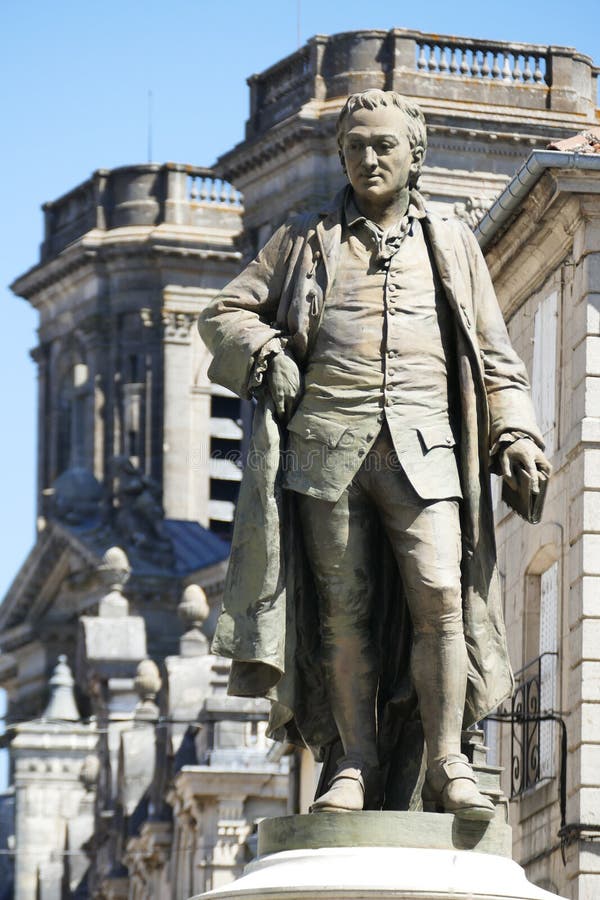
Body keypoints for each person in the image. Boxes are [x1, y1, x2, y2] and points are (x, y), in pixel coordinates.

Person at [198, 90, 551, 819]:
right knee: (343, 615)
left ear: (416, 155)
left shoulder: (451, 243)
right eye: (355, 145)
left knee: (443, 602)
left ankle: (450, 762)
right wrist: (264, 347)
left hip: (428, 453)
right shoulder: (301, 240)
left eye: (383, 145)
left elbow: (495, 357)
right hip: (326, 454)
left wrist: (515, 433)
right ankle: (351, 764)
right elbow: (223, 313)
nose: (368, 157)